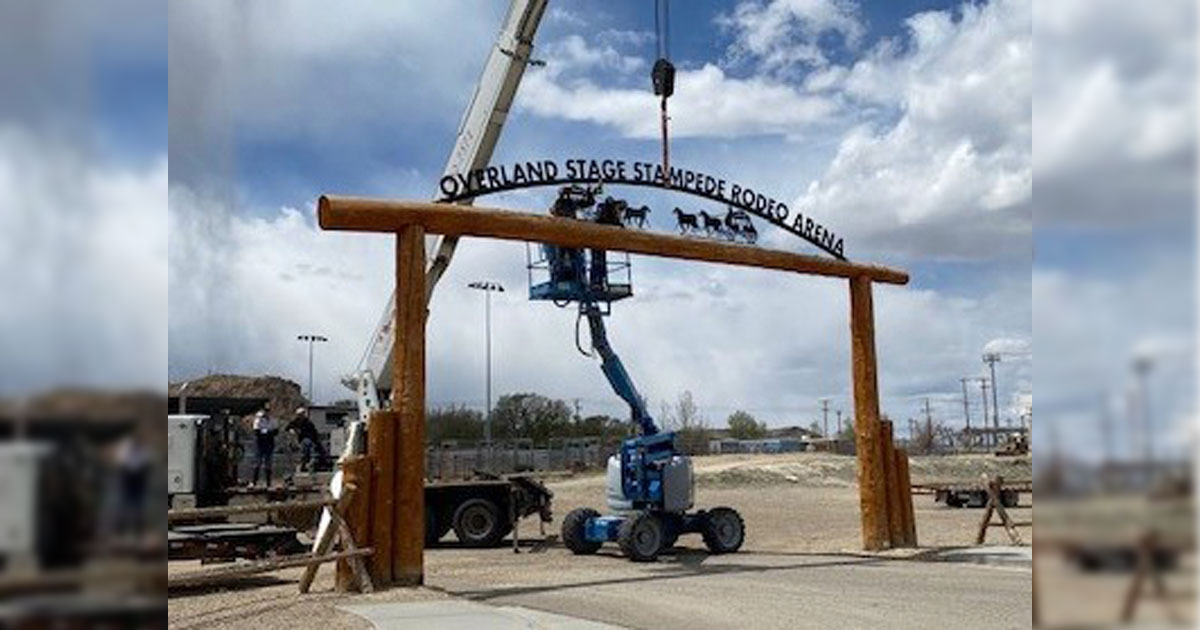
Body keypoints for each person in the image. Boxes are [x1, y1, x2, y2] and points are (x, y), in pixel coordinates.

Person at [286, 406, 327, 472]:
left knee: (314, 447)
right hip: (302, 440)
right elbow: (287, 427)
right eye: (300, 414)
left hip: (311, 440)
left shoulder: (308, 423)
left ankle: (312, 463)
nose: (301, 416)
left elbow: (314, 433)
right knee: (306, 444)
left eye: (302, 414)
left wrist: (316, 441)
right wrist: (293, 430)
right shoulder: (296, 422)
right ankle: (305, 464)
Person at [251, 403, 278, 487]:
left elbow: (276, 431)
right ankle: (254, 482)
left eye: (268, 410)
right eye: (265, 410)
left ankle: (268, 483)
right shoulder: (258, 419)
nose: (267, 412)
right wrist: (268, 432)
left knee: (268, 463)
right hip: (260, 443)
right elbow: (256, 431)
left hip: (269, 443)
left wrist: (266, 432)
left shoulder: (273, 419)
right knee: (257, 463)